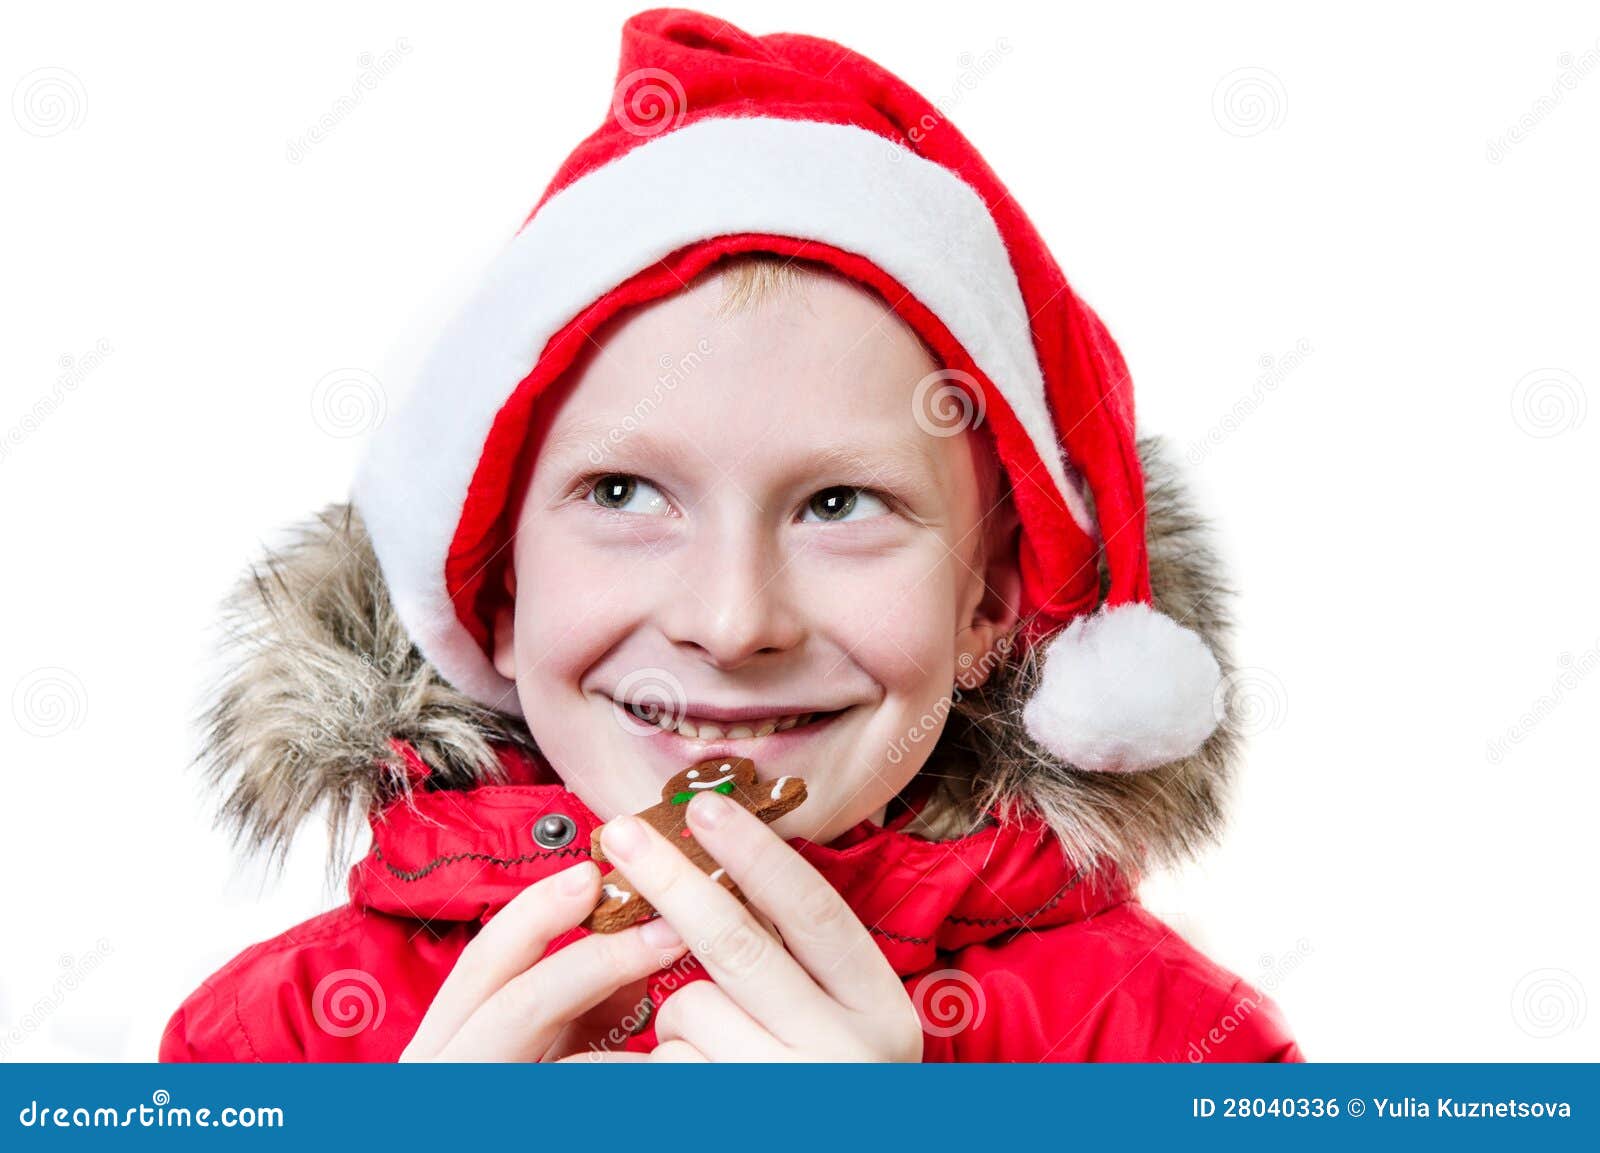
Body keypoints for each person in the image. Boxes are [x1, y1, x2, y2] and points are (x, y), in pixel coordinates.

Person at [160, 7, 1300, 1062]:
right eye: (621, 495)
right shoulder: (269, 1045)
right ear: (495, 588)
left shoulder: (1171, 1044)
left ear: (988, 606)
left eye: (839, 504)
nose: (731, 620)